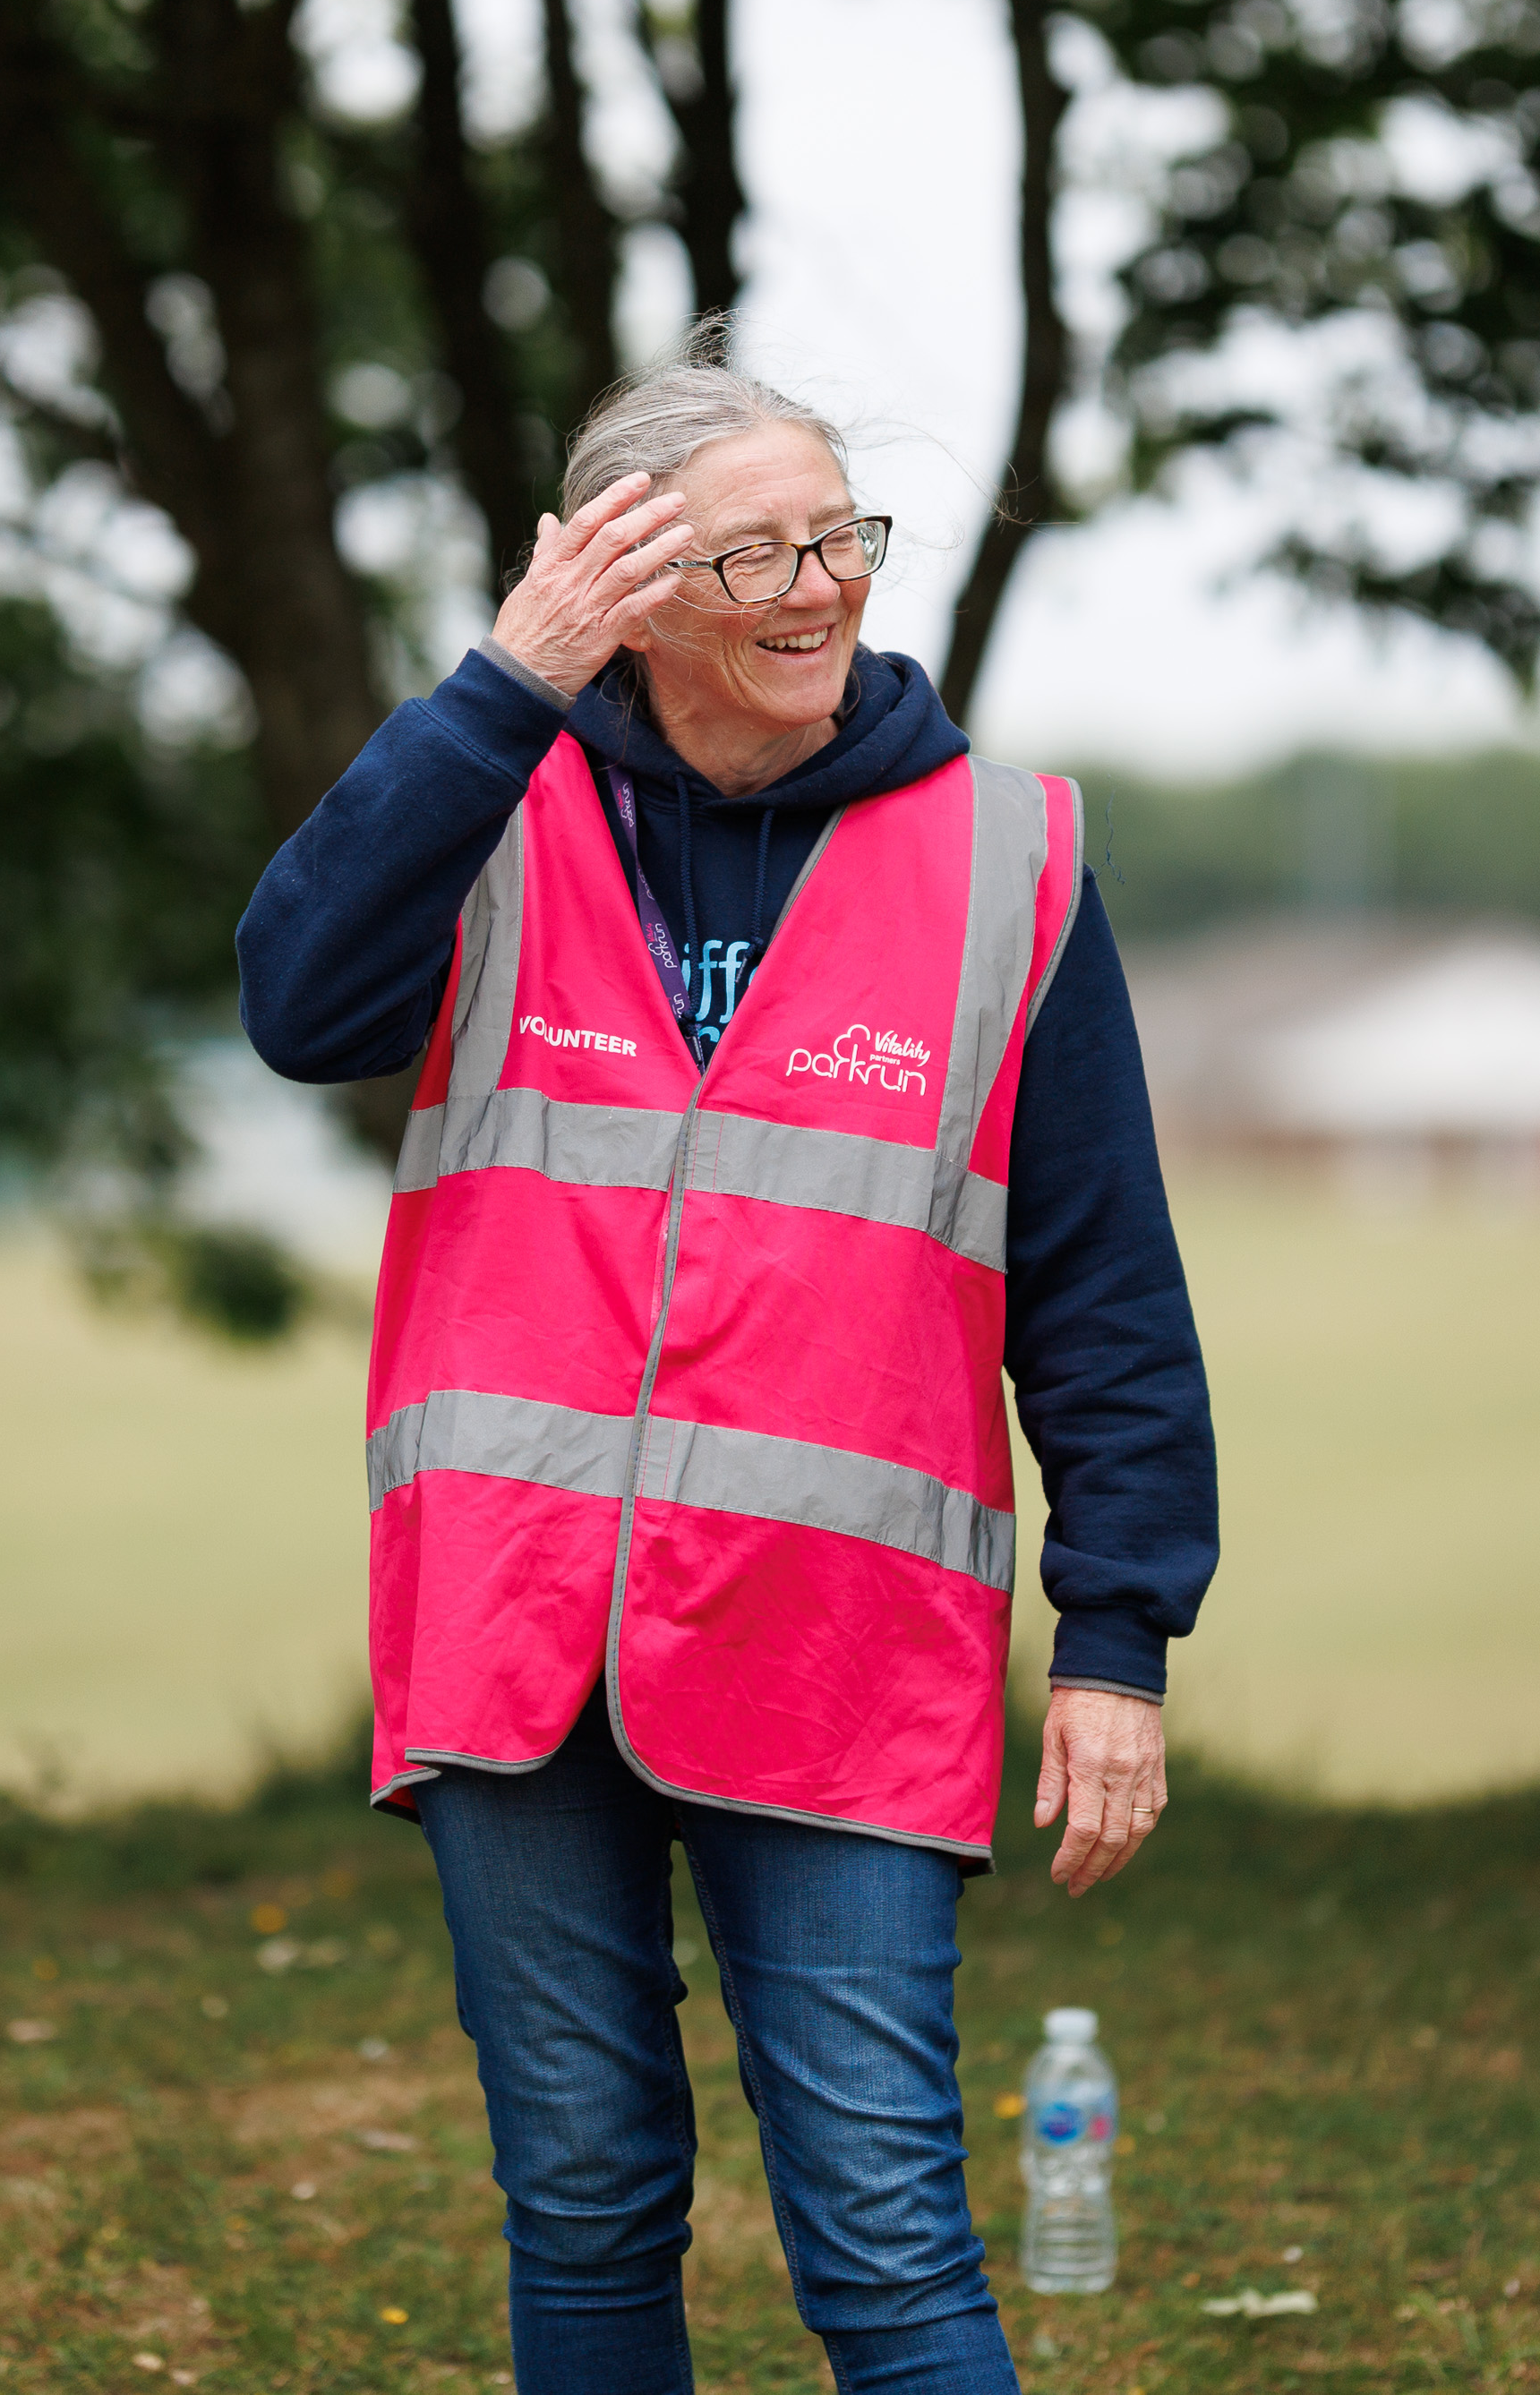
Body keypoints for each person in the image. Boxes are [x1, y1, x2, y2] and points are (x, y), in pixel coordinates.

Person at [237, 335, 1219, 2395]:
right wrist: (502, 685)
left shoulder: (1009, 862)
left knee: (877, 2223)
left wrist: (1116, 1631)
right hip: (511, 1635)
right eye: (752, 555)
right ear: (624, 586)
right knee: (583, 2196)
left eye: (837, 538)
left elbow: (1104, 1282)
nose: (816, 591)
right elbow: (300, 1004)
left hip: (839, 1646)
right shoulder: (486, 804)